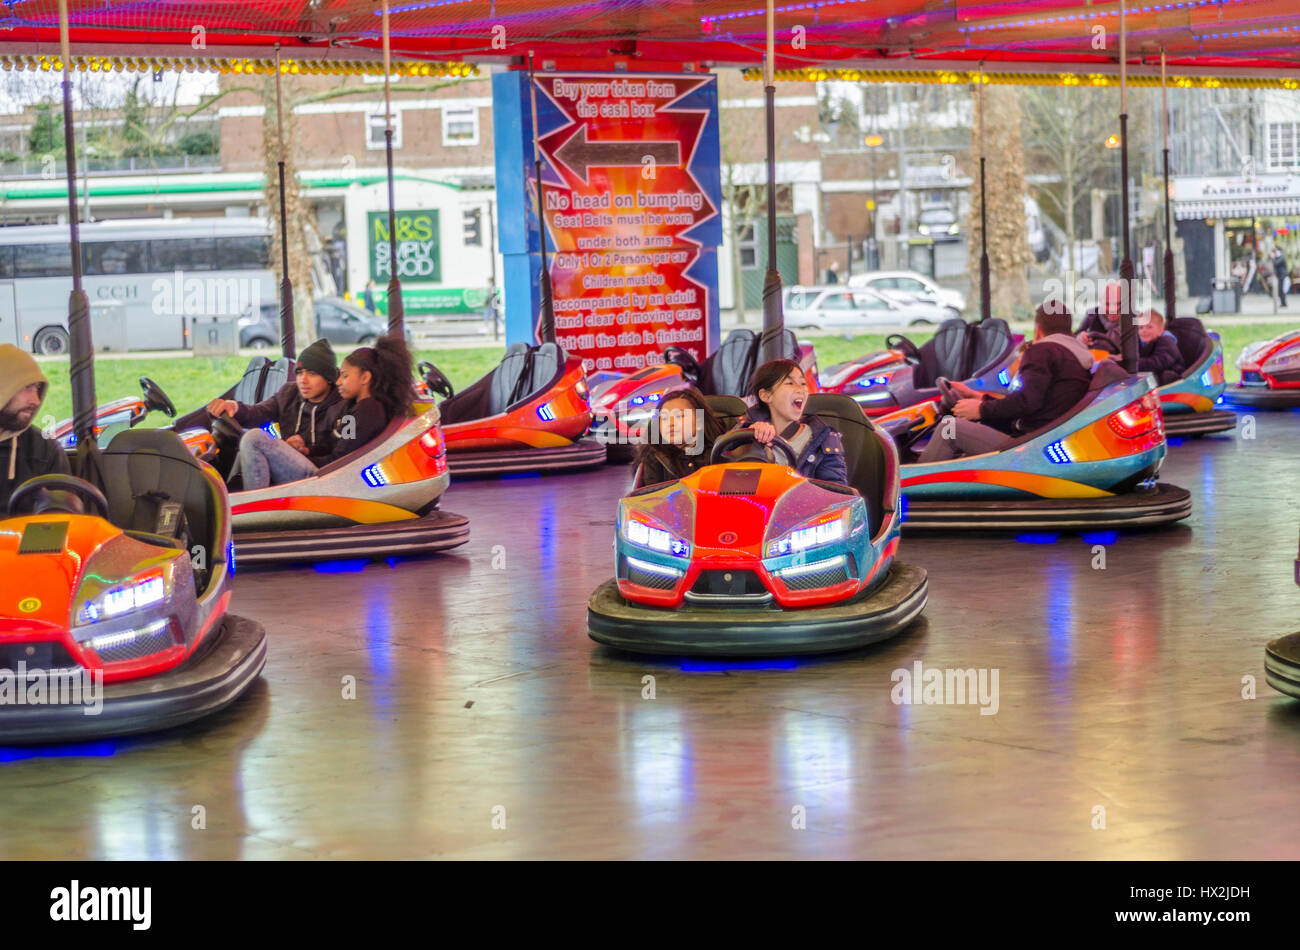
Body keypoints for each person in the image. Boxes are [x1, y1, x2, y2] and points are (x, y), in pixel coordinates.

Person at [919, 304, 1093, 463]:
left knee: (949, 428)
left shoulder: (1042, 351)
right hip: (1041, 438)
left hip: (1027, 445)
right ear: (1069, 330)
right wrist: (978, 398)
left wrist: (980, 409)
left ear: (1038, 329)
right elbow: (1034, 402)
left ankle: (912, 483)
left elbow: (1026, 402)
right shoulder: (1074, 358)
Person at [238, 335, 415, 490]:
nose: (339, 382)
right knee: (243, 446)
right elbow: (337, 447)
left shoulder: (366, 412)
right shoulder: (356, 408)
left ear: (365, 378)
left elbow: (341, 460)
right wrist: (306, 450)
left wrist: (300, 454)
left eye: (345, 376)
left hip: (326, 482)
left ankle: (253, 503)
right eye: (299, 373)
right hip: (326, 475)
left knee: (255, 439)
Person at [206, 338, 344, 472]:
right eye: (300, 373)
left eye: (312, 374)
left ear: (329, 378)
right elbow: (259, 412)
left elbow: (341, 457)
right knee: (242, 449)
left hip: (319, 476)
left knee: (254, 438)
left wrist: (303, 452)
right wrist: (234, 407)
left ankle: (252, 496)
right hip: (287, 466)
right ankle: (230, 492)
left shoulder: (343, 407)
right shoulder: (289, 393)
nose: (303, 380)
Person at [734, 360, 848, 484]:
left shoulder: (823, 439)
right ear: (766, 396)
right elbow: (728, 481)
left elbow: (836, 492)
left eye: (803, 383)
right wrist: (749, 436)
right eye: (790, 383)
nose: (801, 389)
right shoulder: (746, 432)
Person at [0, 344, 70, 512]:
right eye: (26, 387)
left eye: (37, 388)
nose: (36, 400)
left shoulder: (44, 450)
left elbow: (58, 526)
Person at [633, 387, 727, 487]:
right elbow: (651, 499)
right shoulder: (654, 457)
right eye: (664, 418)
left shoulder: (720, 450)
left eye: (679, 416)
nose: (670, 423)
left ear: (699, 421)